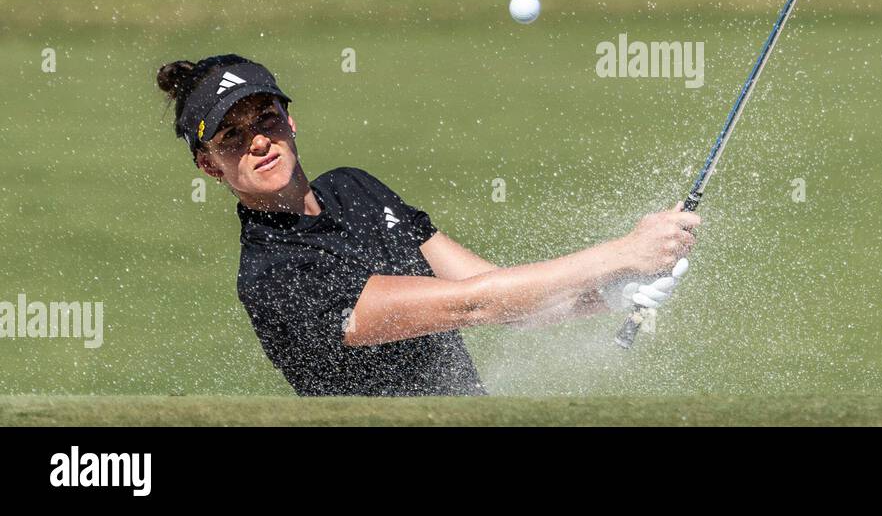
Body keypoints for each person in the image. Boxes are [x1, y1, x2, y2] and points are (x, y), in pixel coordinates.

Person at [156, 54, 698, 396]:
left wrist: (612, 293)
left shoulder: (354, 189)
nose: (257, 141)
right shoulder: (274, 276)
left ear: (290, 121)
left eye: (267, 119)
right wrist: (622, 252)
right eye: (231, 137)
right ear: (209, 164)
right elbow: (471, 304)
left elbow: (502, 301)